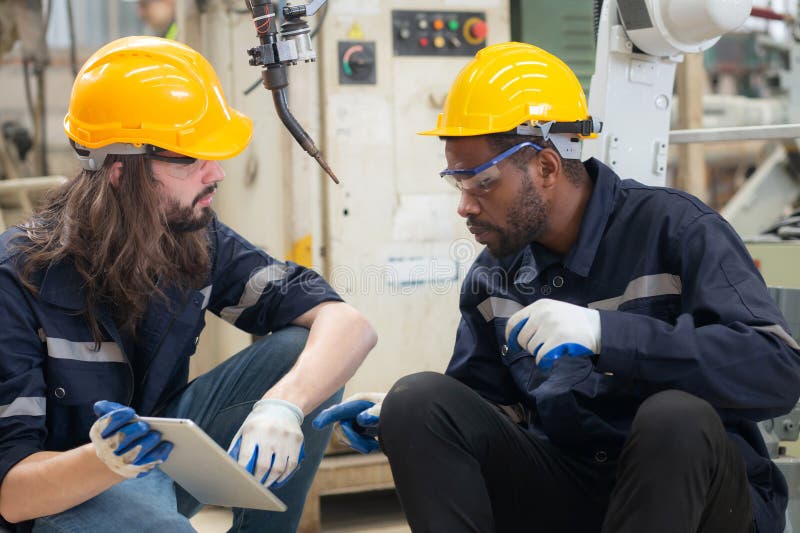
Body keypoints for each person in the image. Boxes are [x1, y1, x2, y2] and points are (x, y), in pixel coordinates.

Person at [313, 42, 800, 533]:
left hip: (696, 502)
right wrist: (401, 413)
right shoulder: (494, 276)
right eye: (456, 183)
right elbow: (493, 408)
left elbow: (777, 372)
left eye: (481, 183)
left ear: (545, 167)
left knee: (674, 418)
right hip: (572, 491)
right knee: (418, 399)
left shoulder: (676, 229)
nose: (464, 206)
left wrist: (607, 336)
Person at [0, 36, 376, 533]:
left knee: (301, 350)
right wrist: (104, 460)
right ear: (120, 169)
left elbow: (348, 325)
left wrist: (285, 404)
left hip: (149, 465)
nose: (215, 173)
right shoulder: (18, 276)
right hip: (61, 493)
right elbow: (11, 494)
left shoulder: (192, 237)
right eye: (190, 158)